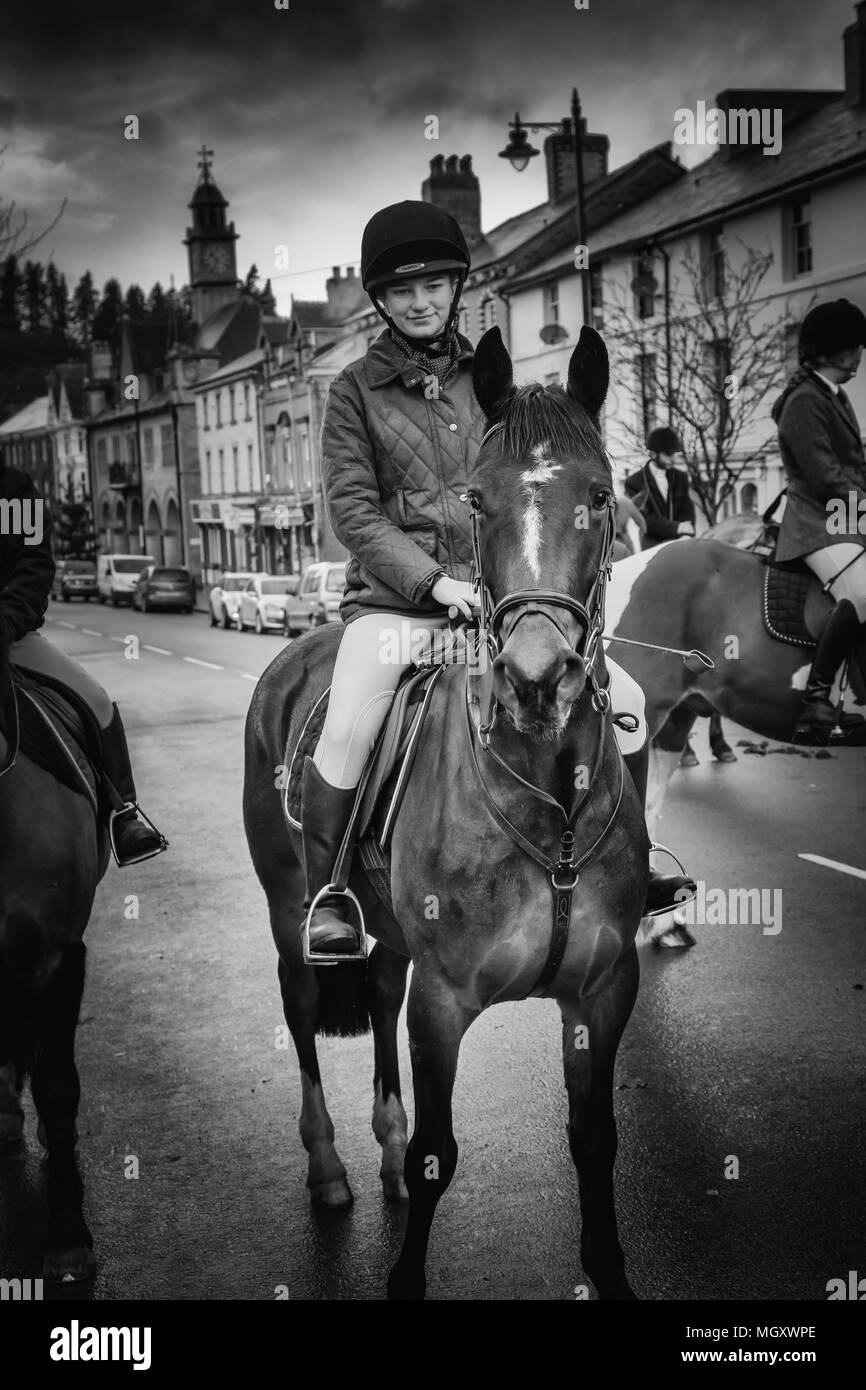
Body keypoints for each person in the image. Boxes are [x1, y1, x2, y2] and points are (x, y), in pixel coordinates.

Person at [300, 200, 695, 959]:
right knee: (350, 721)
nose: (421, 302)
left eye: (435, 286)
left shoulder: (495, 383)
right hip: (398, 610)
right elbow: (352, 510)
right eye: (403, 291)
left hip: (508, 609)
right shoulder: (353, 390)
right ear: (380, 301)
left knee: (635, 704)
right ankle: (333, 894)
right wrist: (433, 584)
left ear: (456, 289)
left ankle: (635, 866)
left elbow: (537, 490)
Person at [0, 448, 167, 865]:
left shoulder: (14, 494)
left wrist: (4, 622)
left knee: (95, 701)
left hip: (10, 637)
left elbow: (33, 567)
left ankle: (124, 814)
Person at [772, 298, 866, 744]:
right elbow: (825, 476)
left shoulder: (835, 396)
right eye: (855, 346)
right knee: (862, 591)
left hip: (844, 517)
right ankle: (817, 697)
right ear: (834, 350)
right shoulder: (803, 401)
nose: (861, 354)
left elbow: (855, 467)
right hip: (816, 522)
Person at [624, 427, 696, 548]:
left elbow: (687, 509)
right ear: (653, 454)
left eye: (675, 453)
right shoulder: (634, 482)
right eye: (668, 454)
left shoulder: (681, 477)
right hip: (651, 548)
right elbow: (644, 518)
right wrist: (677, 528)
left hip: (680, 544)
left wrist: (686, 533)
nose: (674, 458)